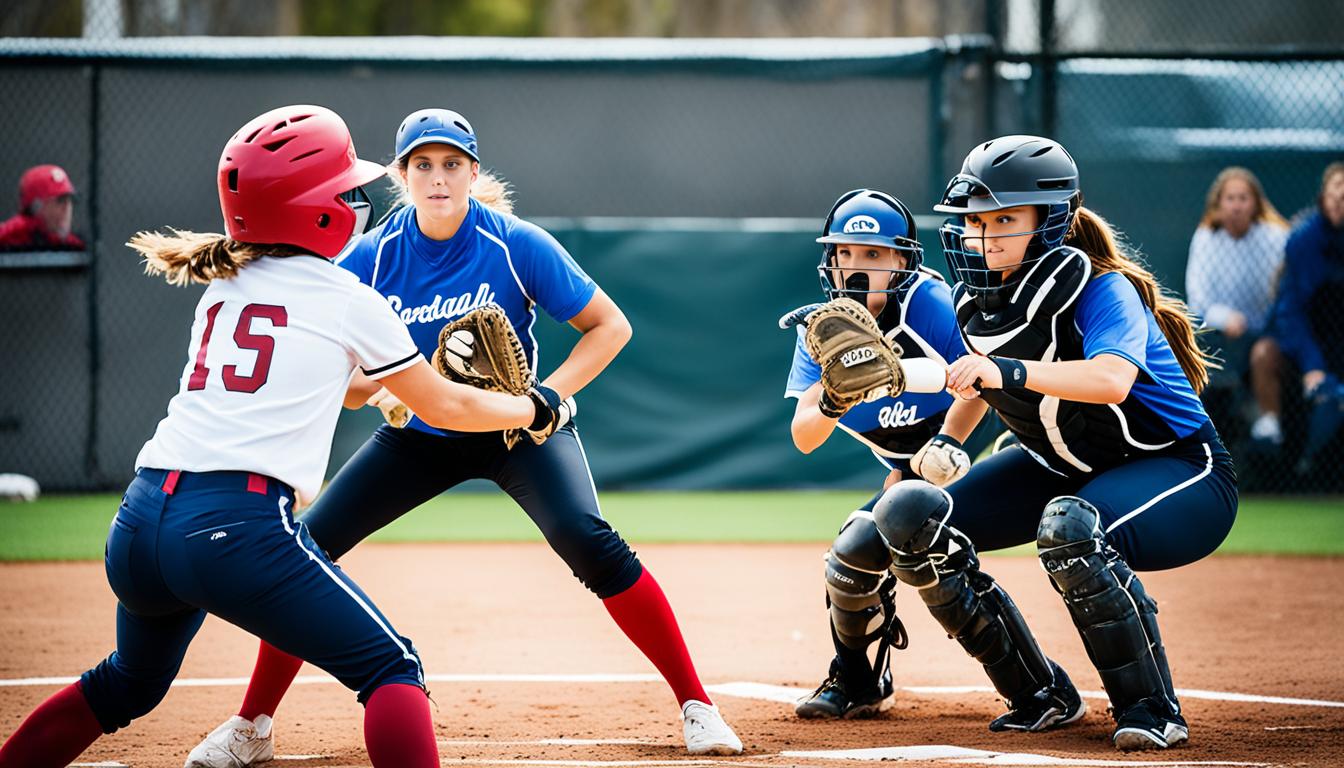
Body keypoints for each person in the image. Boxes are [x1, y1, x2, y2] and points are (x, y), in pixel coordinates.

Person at [0, 104, 564, 768]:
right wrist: (533, 408)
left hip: (140, 521)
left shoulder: (223, 285)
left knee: (127, 682)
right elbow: (445, 405)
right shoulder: (347, 297)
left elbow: (320, 377)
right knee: (393, 669)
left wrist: (383, 389)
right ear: (314, 211)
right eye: (343, 191)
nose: (354, 202)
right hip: (236, 529)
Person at [186, 107, 741, 767]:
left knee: (590, 541)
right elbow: (348, 384)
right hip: (420, 438)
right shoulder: (370, 256)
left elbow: (610, 326)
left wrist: (547, 396)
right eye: (422, 164)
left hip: (513, 430)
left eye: (452, 163)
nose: (438, 177)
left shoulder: (514, 244)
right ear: (401, 176)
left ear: (474, 173)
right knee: (307, 550)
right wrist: (383, 389)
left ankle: (697, 704)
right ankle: (252, 723)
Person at [869, 135, 1237, 752]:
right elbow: (980, 383)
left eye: (1004, 219)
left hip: (1179, 469)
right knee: (907, 518)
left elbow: (1111, 380)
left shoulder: (1101, 288)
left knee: (1070, 527)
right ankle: (1040, 694)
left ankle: (1151, 709)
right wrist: (944, 441)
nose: (985, 235)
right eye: (976, 221)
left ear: (1052, 220)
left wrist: (1005, 371)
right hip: (1061, 465)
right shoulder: (980, 302)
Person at [782, 189, 972, 719]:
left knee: (942, 558)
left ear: (903, 261)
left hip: (962, 445)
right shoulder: (823, 330)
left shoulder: (931, 305)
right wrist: (834, 396)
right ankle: (859, 681)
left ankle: (1035, 688)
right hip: (906, 464)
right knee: (851, 556)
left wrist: (948, 441)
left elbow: (980, 385)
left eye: (873, 253)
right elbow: (804, 436)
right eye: (844, 252)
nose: (855, 266)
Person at [1184, 167, 1289, 445]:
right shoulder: (1205, 237)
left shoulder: (1275, 237)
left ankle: (1268, 426)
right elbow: (1198, 298)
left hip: (1267, 330)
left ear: (1255, 203)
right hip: (1219, 335)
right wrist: (1224, 317)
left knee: (1264, 354)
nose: (1237, 206)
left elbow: (1285, 289)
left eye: (1243, 198)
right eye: (1230, 198)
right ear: (1218, 203)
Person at [1270, 162, 1344, 475]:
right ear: (1323, 197)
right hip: (1308, 344)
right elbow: (1292, 312)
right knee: (1327, 398)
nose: (1340, 200)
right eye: (1336, 192)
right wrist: (1312, 365)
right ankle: (1305, 468)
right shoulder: (1304, 240)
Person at [0, 164, 85, 252]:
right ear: (36, 207)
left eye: (70, 200)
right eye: (60, 200)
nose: (67, 208)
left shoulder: (73, 243)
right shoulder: (10, 236)